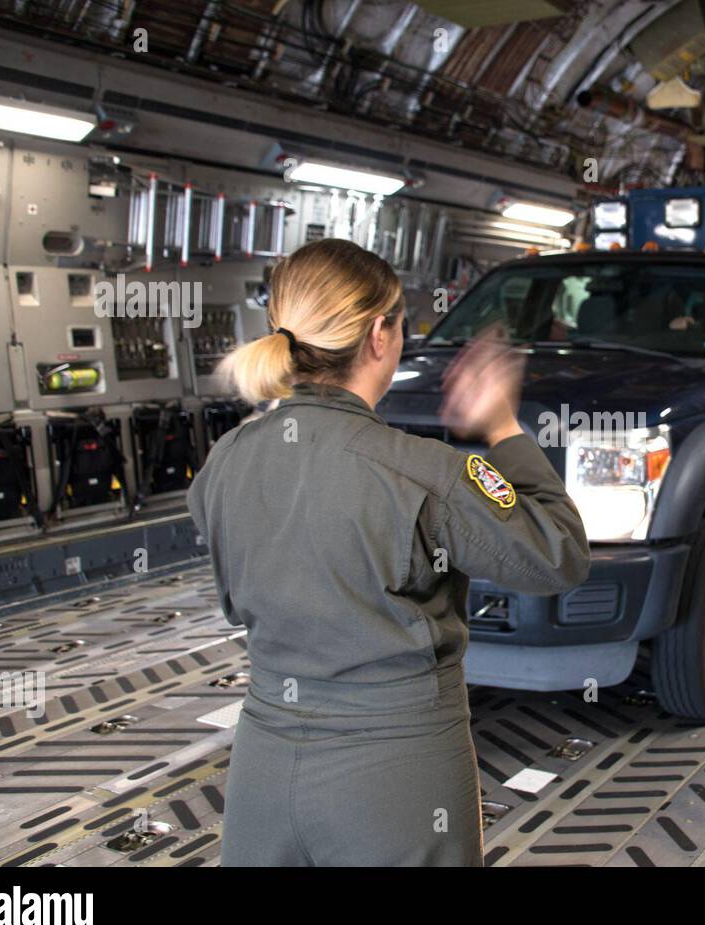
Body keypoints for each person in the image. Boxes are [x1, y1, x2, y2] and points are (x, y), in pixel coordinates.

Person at [188, 238, 590, 866]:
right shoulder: (422, 472)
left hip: (263, 766)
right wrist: (504, 429)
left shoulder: (226, 459)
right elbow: (557, 555)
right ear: (380, 334)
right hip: (394, 774)